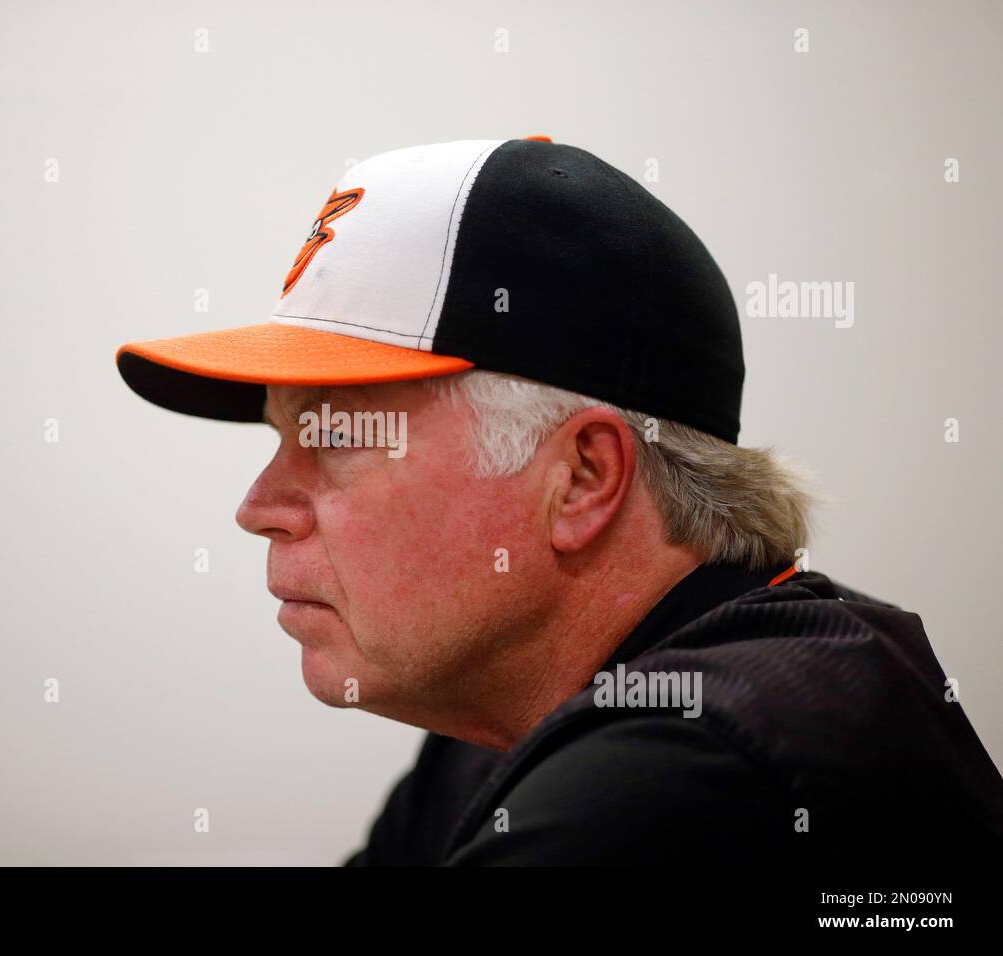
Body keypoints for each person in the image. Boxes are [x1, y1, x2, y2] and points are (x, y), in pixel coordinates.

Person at [114, 136, 1003, 864]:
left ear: (582, 478)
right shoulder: (499, 719)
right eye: (279, 437)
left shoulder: (685, 779)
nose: (260, 506)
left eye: (338, 435)